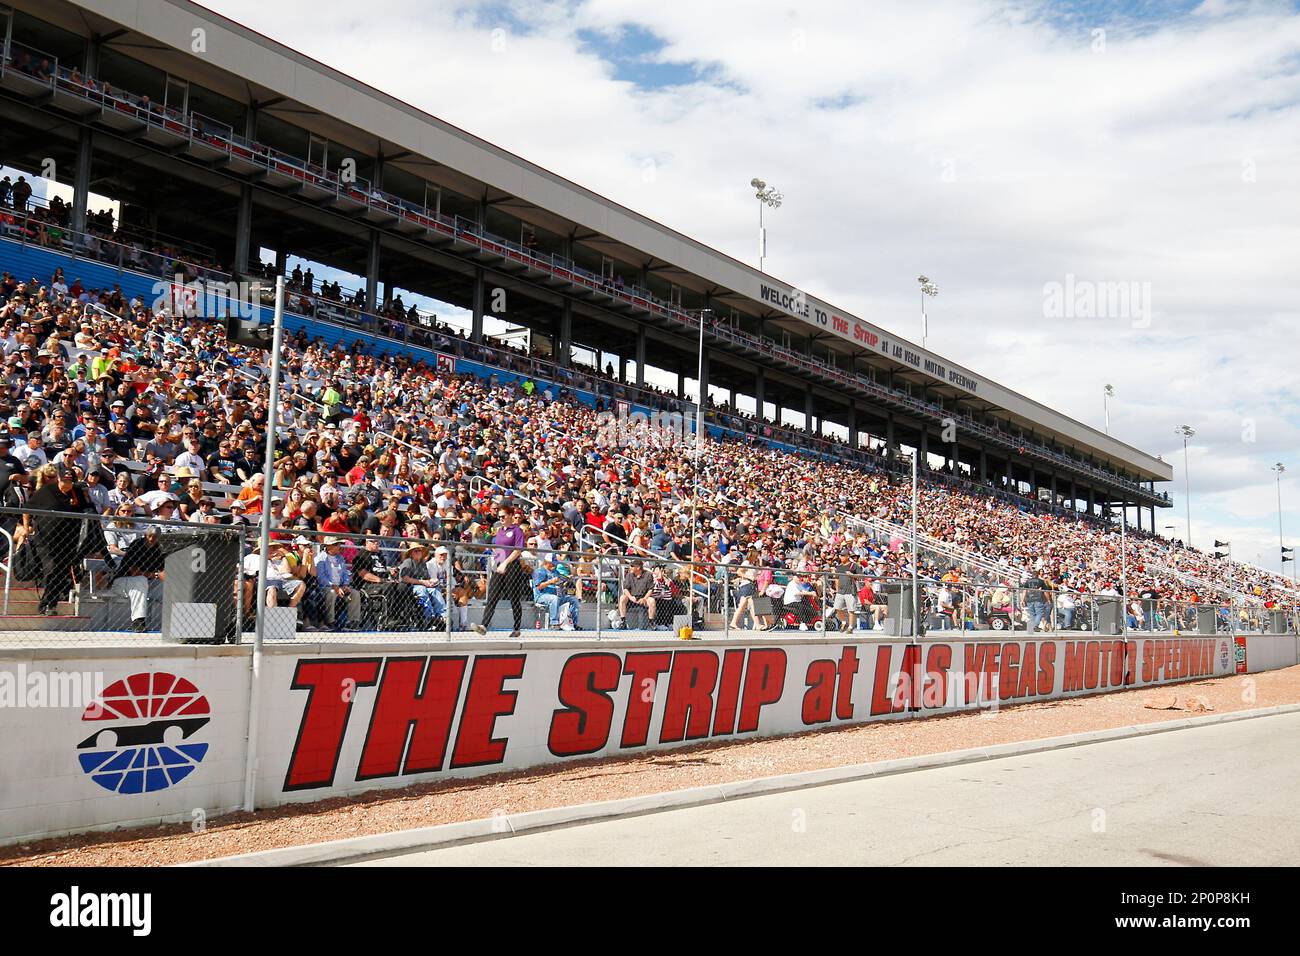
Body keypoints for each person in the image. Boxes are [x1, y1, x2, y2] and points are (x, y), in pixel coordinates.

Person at [26, 465, 93, 616]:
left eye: (70, 482)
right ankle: (47, 603)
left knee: (62, 572)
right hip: (45, 540)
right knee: (52, 569)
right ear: (58, 479)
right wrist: (25, 528)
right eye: (65, 481)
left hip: (69, 541)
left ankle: (49, 604)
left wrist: (86, 497)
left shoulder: (77, 493)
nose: (67, 485)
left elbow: (89, 509)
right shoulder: (47, 491)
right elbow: (27, 509)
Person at [472, 506, 528, 637]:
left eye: (503, 516)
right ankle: (484, 625)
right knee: (492, 595)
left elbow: (518, 549)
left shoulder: (517, 530)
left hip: (512, 565)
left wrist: (505, 563)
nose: (501, 519)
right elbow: (498, 548)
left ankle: (516, 628)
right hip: (500, 564)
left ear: (510, 515)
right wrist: (498, 563)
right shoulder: (499, 531)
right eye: (499, 517)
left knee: (514, 597)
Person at [109, 525, 165, 631]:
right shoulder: (137, 545)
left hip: (144, 585)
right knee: (141, 579)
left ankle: (175, 622)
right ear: (145, 535)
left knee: (168, 586)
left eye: (156, 536)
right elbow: (134, 572)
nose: (152, 539)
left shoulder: (158, 548)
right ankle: (138, 621)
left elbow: (162, 570)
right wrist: (156, 575)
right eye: (150, 536)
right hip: (122, 582)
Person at [398, 540, 445, 626]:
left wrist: (431, 581)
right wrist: (422, 582)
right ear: (411, 553)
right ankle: (429, 618)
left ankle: (443, 617)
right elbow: (405, 578)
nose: (419, 552)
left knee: (435, 590)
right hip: (409, 586)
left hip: (422, 585)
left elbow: (426, 578)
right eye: (416, 551)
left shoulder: (422, 563)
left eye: (420, 550)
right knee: (422, 589)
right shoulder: (408, 561)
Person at [531, 552, 579, 630]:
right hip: (541, 596)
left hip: (557, 595)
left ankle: (573, 623)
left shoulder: (555, 572)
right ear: (547, 562)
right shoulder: (539, 571)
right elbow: (539, 587)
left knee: (573, 599)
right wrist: (550, 581)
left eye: (555, 563)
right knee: (554, 598)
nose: (555, 565)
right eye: (553, 563)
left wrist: (565, 580)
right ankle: (554, 623)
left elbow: (559, 582)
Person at [615, 558, 656, 628]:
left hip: (643, 598)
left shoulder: (648, 575)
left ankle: (651, 623)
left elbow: (650, 589)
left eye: (632, 566)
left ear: (638, 567)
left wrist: (644, 599)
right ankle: (623, 622)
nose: (630, 567)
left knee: (652, 600)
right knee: (622, 598)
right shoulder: (629, 575)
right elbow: (625, 589)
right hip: (632, 598)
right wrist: (630, 597)